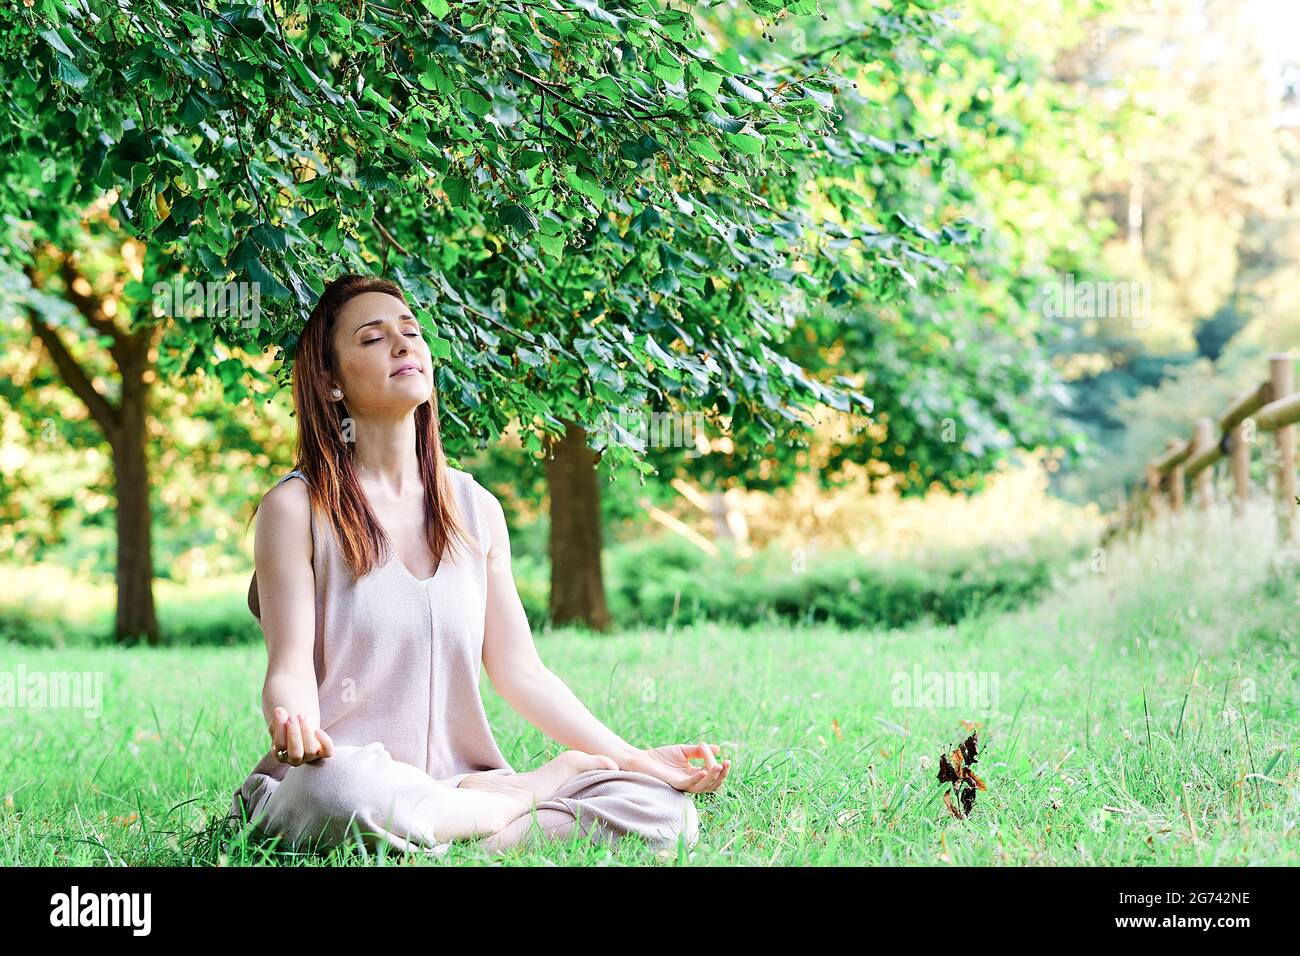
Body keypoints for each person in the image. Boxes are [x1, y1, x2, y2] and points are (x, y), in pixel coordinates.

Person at [228, 274, 730, 857]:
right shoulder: (295, 508)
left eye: (410, 331)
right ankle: (512, 808)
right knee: (337, 795)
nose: (403, 344)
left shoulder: (476, 508)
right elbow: (288, 665)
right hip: (344, 773)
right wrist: (293, 722)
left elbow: (523, 673)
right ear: (331, 383)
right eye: (371, 338)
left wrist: (636, 761)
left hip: (458, 780)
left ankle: (446, 830)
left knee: (664, 811)